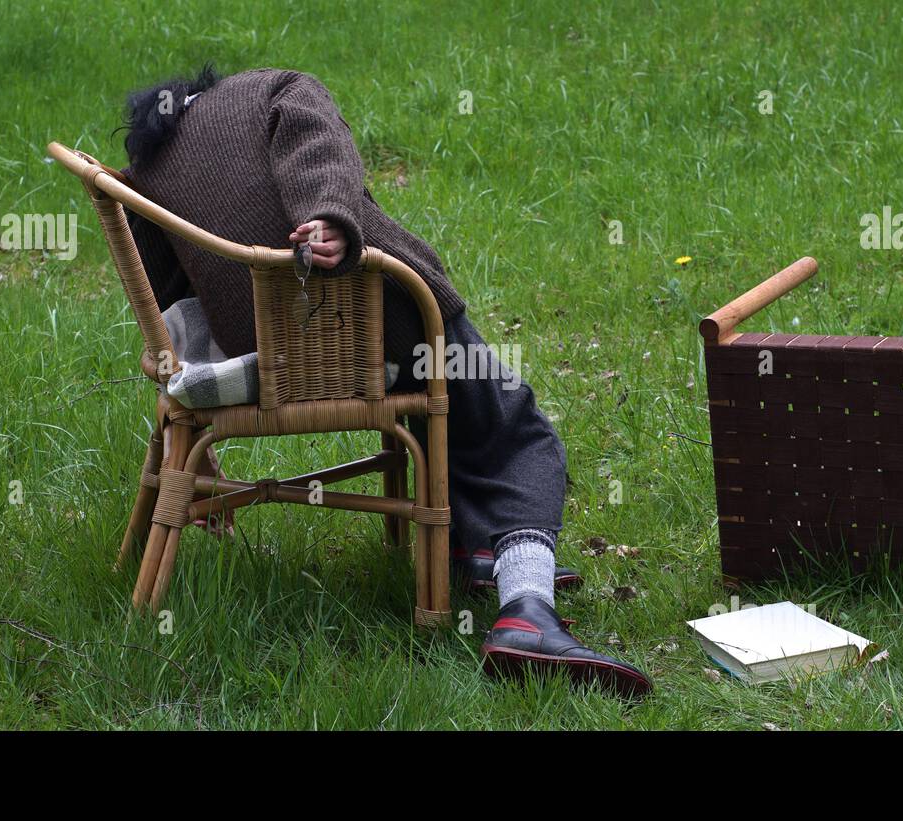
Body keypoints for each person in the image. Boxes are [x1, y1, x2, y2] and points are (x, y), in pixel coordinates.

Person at [120, 66, 650, 697]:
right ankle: (527, 613)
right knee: (513, 426)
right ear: (212, 85)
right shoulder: (272, 88)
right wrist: (329, 219)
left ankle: (481, 549)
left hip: (272, 349)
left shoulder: (150, 172)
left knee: (445, 411)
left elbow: (170, 291)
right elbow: (316, 149)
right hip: (384, 309)